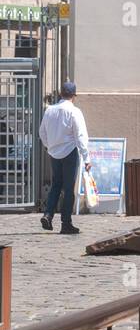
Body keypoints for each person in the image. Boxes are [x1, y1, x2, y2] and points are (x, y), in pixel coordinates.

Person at [38, 81, 91, 235]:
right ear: (74, 96)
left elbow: (42, 132)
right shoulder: (75, 112)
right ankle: (66, 223)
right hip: (69, 152)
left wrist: (49, 146)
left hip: (54, 153)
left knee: (56, 185)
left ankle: (48, 214)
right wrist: (87, 158)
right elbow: (80, 136)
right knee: (68, 189)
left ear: (61, 94)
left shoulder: (49, 110)